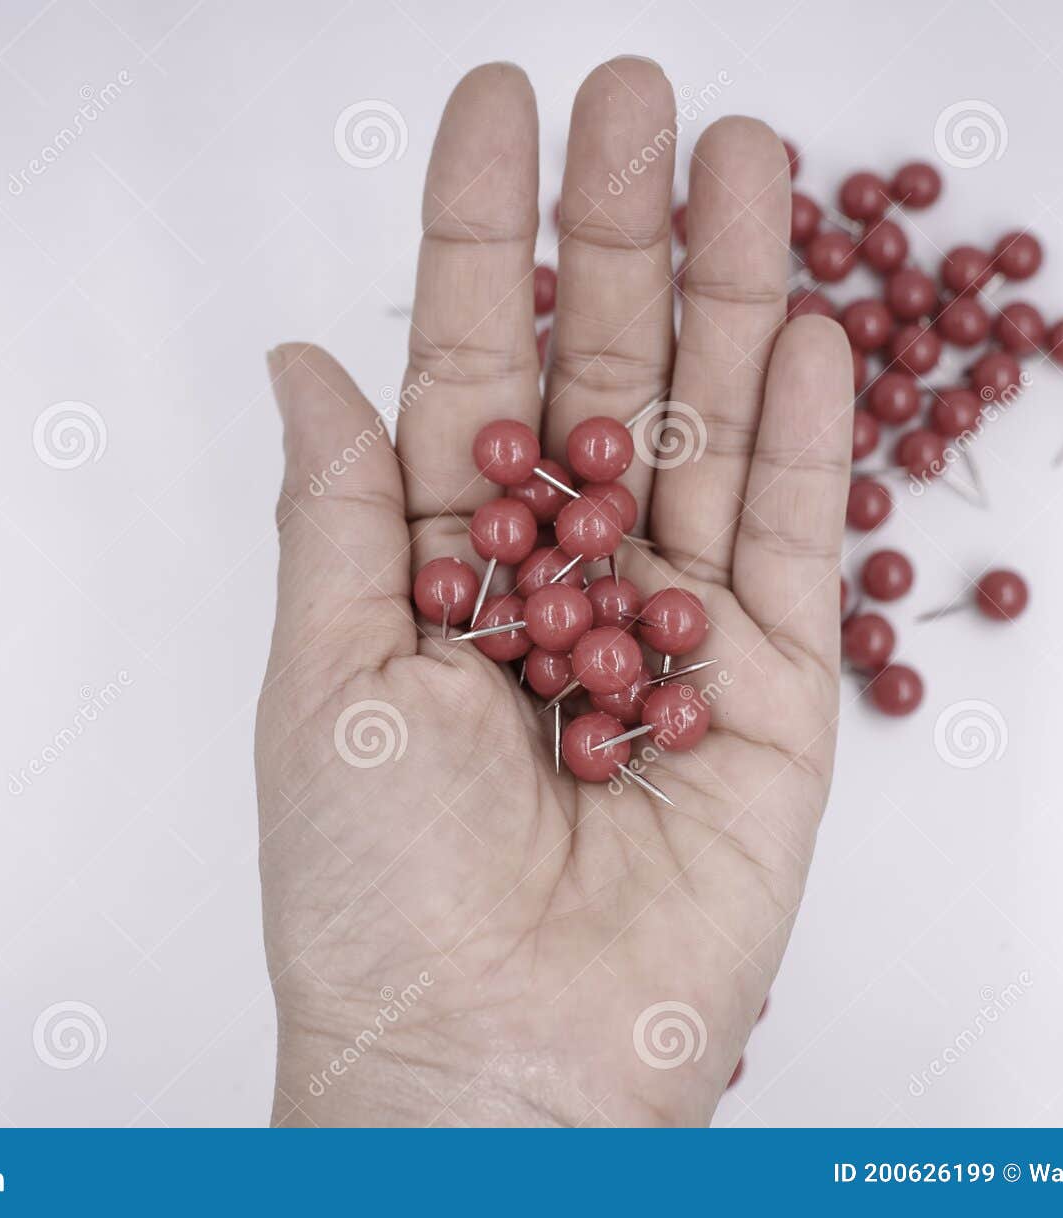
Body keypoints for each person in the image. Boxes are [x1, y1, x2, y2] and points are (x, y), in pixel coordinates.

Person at [256, 56, 853, 1126]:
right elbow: (564, 609)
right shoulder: (555, 603)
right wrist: (414, 1072)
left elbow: (592, 621)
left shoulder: (604, 631)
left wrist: (413, 1083)